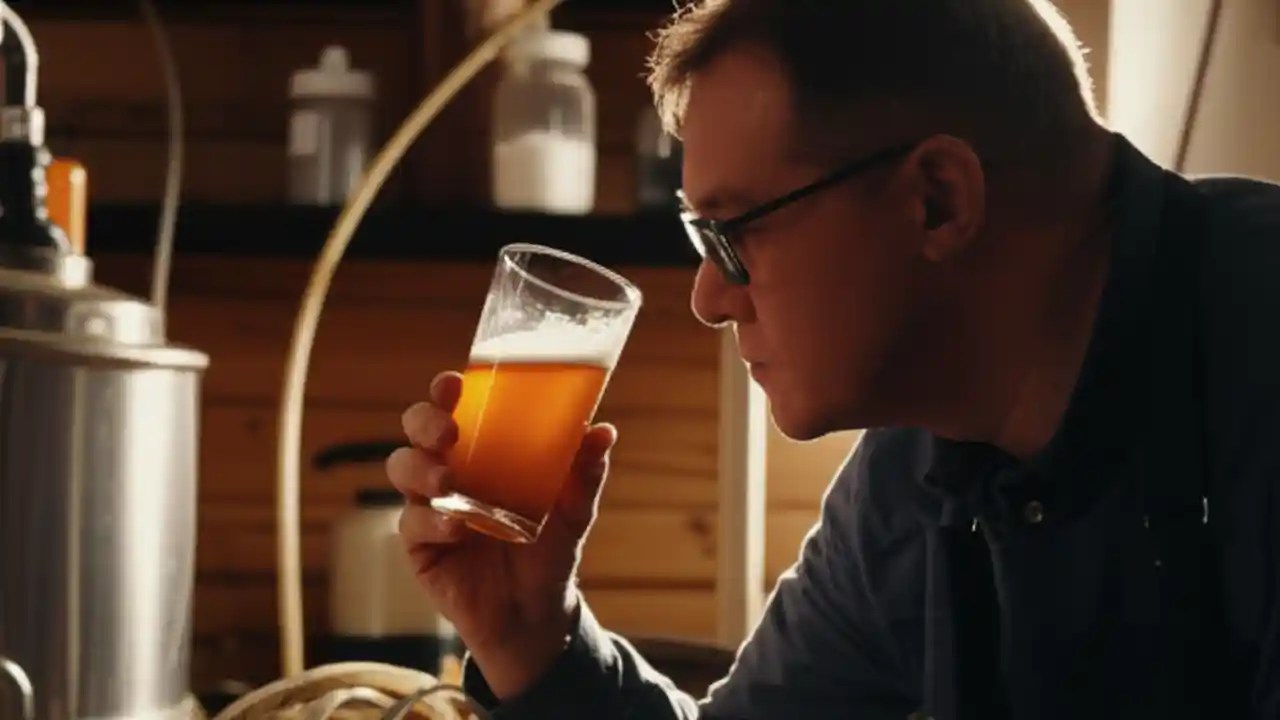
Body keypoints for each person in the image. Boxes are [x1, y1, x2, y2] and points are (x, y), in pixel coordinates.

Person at [386, 1, 1280, 717]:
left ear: (936, 200)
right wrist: (531, 636)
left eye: (733, 234)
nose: (706, 297)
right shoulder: (910, 473)